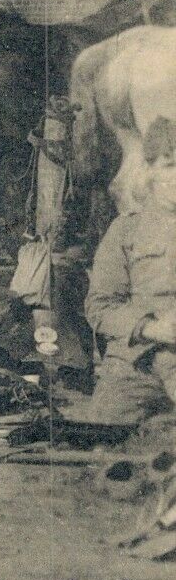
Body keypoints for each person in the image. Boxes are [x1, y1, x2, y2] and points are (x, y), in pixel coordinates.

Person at [84, 117, 176, 426]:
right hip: (136, 365)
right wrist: (150, 329)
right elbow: (100, 307)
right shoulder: (126, 229)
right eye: (169, 166)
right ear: (150, 171)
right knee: (102, 439)